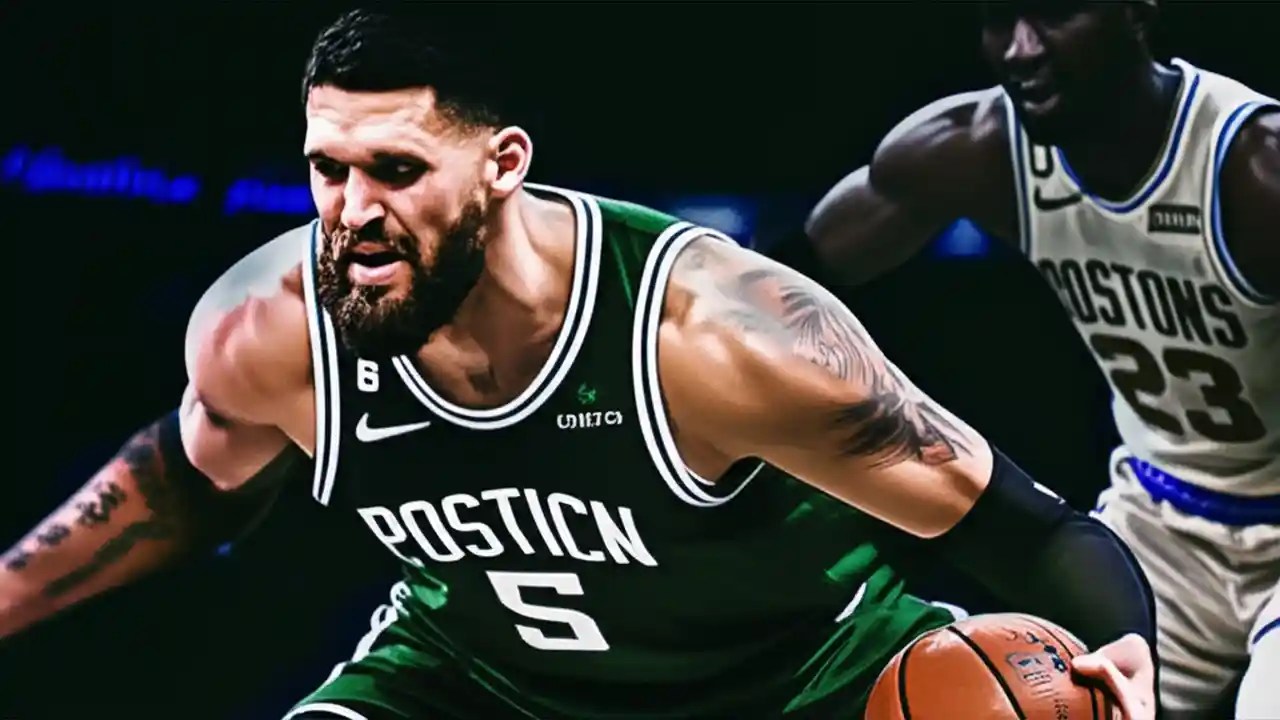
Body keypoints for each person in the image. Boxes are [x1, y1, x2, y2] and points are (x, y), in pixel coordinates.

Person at [2, 8, 1159, 719]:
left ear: (502, 165)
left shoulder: (712, 334)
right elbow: (183, 486)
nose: (350, 214)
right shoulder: (279, 326)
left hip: (794, 682)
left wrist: (1122, 654)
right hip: (472, 686)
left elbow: (1026, 531)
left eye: (395, 171)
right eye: (326, 170)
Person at [768, 0, 1278, 716]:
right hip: (1163, 520)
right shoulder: (976, 148)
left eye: (1053, 14)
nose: (1020, 48)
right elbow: (775, 293)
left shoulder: (1256, 170)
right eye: (998, 20)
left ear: (1139, 11)